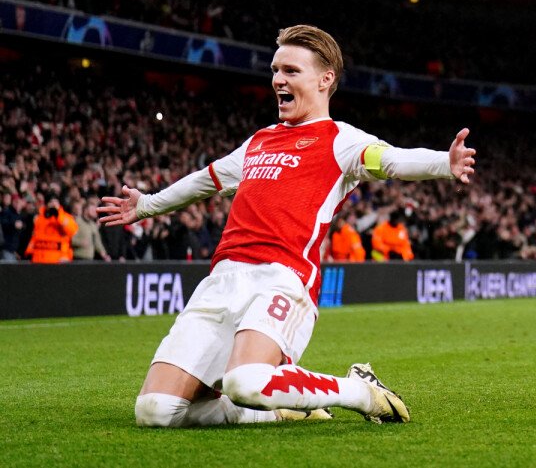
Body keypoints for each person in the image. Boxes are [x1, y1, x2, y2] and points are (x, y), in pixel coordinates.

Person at [100, 24, 477, 427]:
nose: (278, 79)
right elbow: (203, 181)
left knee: (245, 380)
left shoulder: (341, 140)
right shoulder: (259, 141)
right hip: (221, 281)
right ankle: (280, 407)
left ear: (325, 79)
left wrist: (444, 163)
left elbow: (391, 161)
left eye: (291, 71)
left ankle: (362, 391)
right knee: (154, 411)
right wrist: (146, 206)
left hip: (282, 279)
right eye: (276, 70)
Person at [25, 197, 77, 263]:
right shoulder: (39, 218)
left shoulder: (66, 217)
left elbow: (72, 231)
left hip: (59, 260)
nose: (53, 204)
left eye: (55, 202)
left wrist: (59, 216)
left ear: (59, 204)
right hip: (39, 259)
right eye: (51, 202)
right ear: (46, 205)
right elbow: (34, 237)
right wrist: (30, 252)